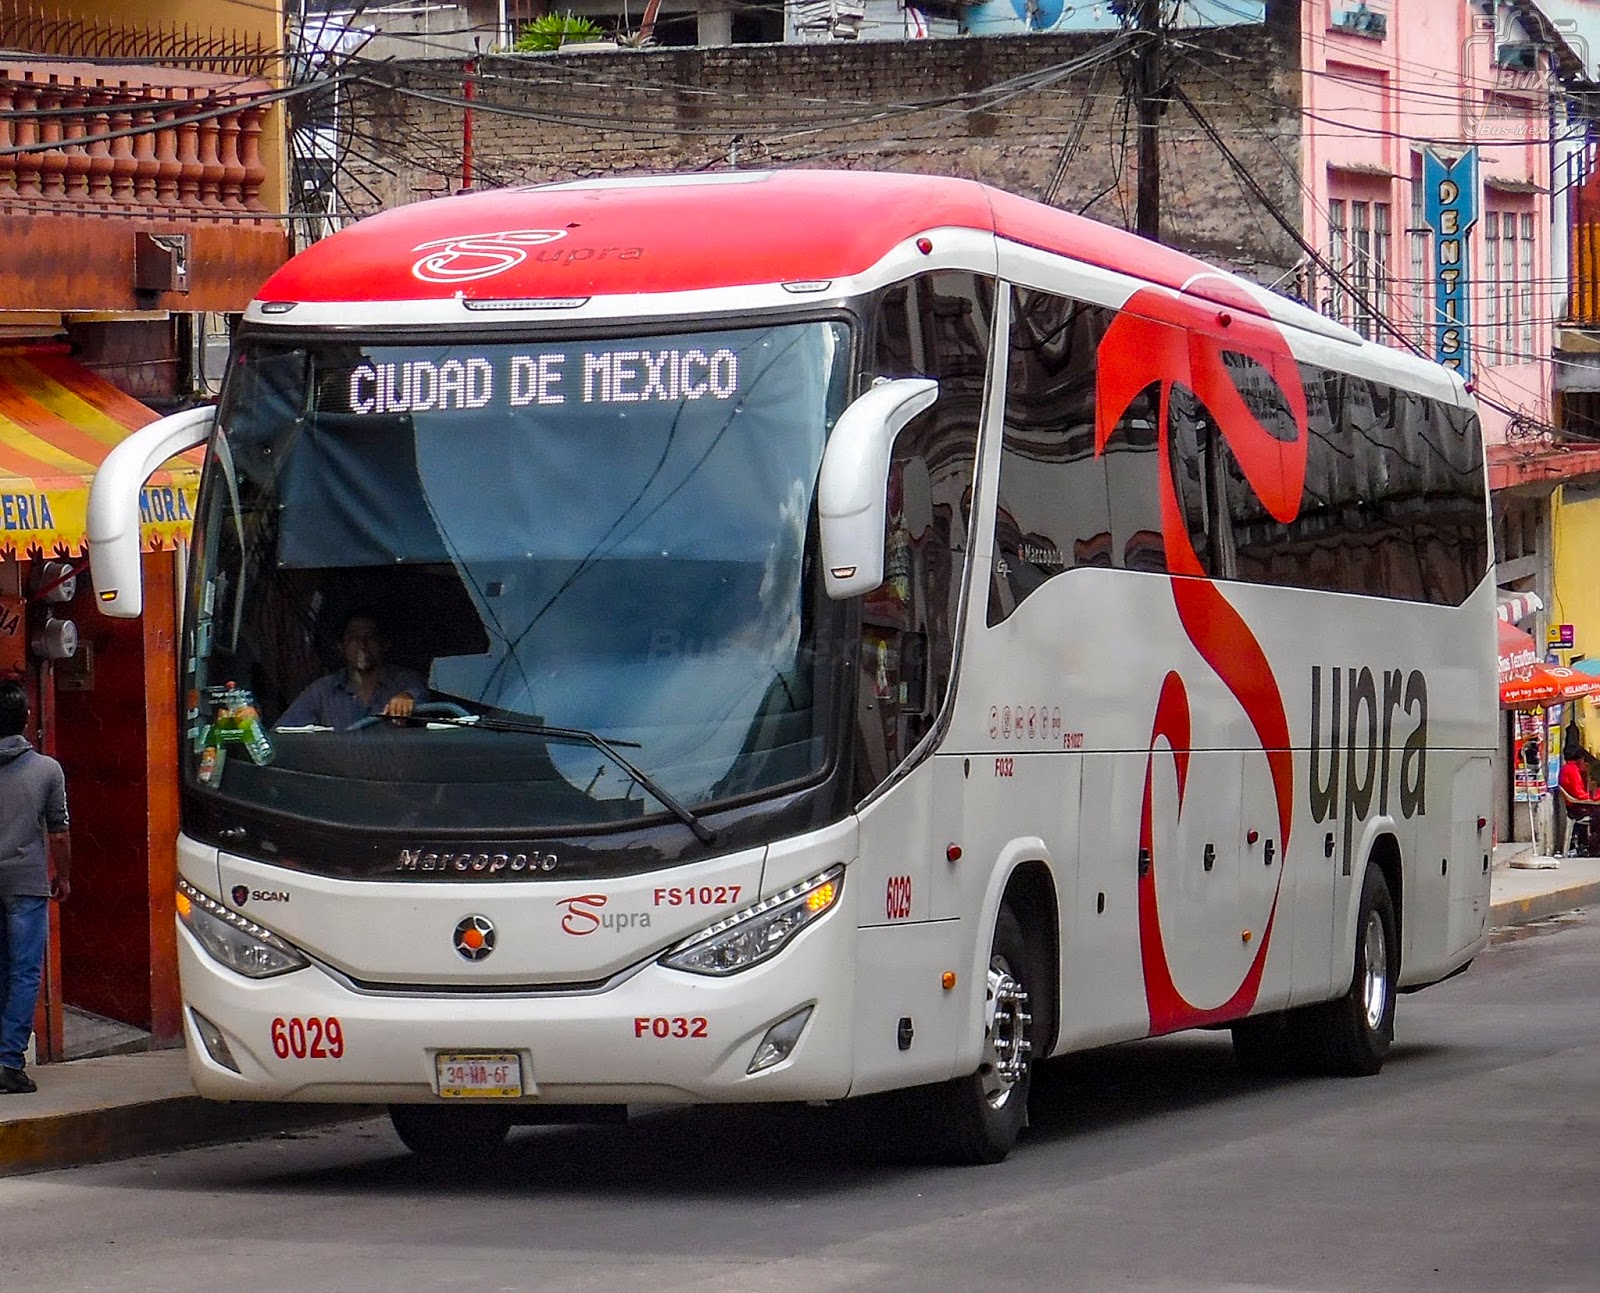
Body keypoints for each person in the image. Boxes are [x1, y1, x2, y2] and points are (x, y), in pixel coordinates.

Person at [0, 679, 70, 1096]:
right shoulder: (47, 769)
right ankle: (9, 1061)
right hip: (26, 882)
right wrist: (63, 876)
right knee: (24, 972)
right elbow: (58, 832)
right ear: (26, 719)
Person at [276, 612, 427, 730]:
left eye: (370, 637)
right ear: (341, 646)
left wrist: (406, 699)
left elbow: (419, 694)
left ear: (385, 643)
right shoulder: (322, 691)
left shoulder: (404, 680)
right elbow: (284, 732)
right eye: (353, 638)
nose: (362, 644)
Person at [1559, 729, 1600, 855]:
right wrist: (1594, 799)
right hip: (1576, 808)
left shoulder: (1571, 769)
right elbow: (1579, 795)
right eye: (1587, 766)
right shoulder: (1572, 771)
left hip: (1579, 805)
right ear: (1582, 761)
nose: (1586, 770)